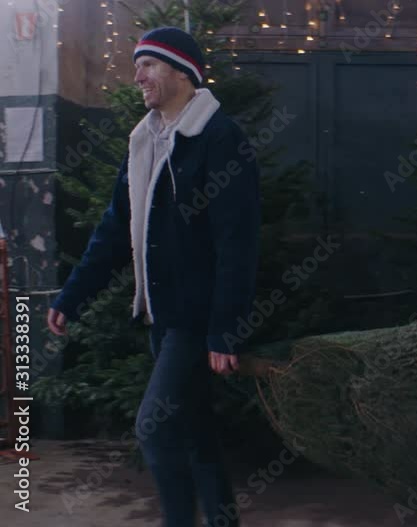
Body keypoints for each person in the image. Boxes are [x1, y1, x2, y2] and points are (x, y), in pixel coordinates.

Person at [47, 27, 260, 527]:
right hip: (161, 316)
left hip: (195, 316)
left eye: (148, 65)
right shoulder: (146, 139)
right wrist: (72, 295)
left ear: (181, 72)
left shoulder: (219, 137)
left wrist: (226, 328)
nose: (136, 75)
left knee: (156, 427)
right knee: (194, 433)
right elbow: (117, 229)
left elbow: (239, 242)